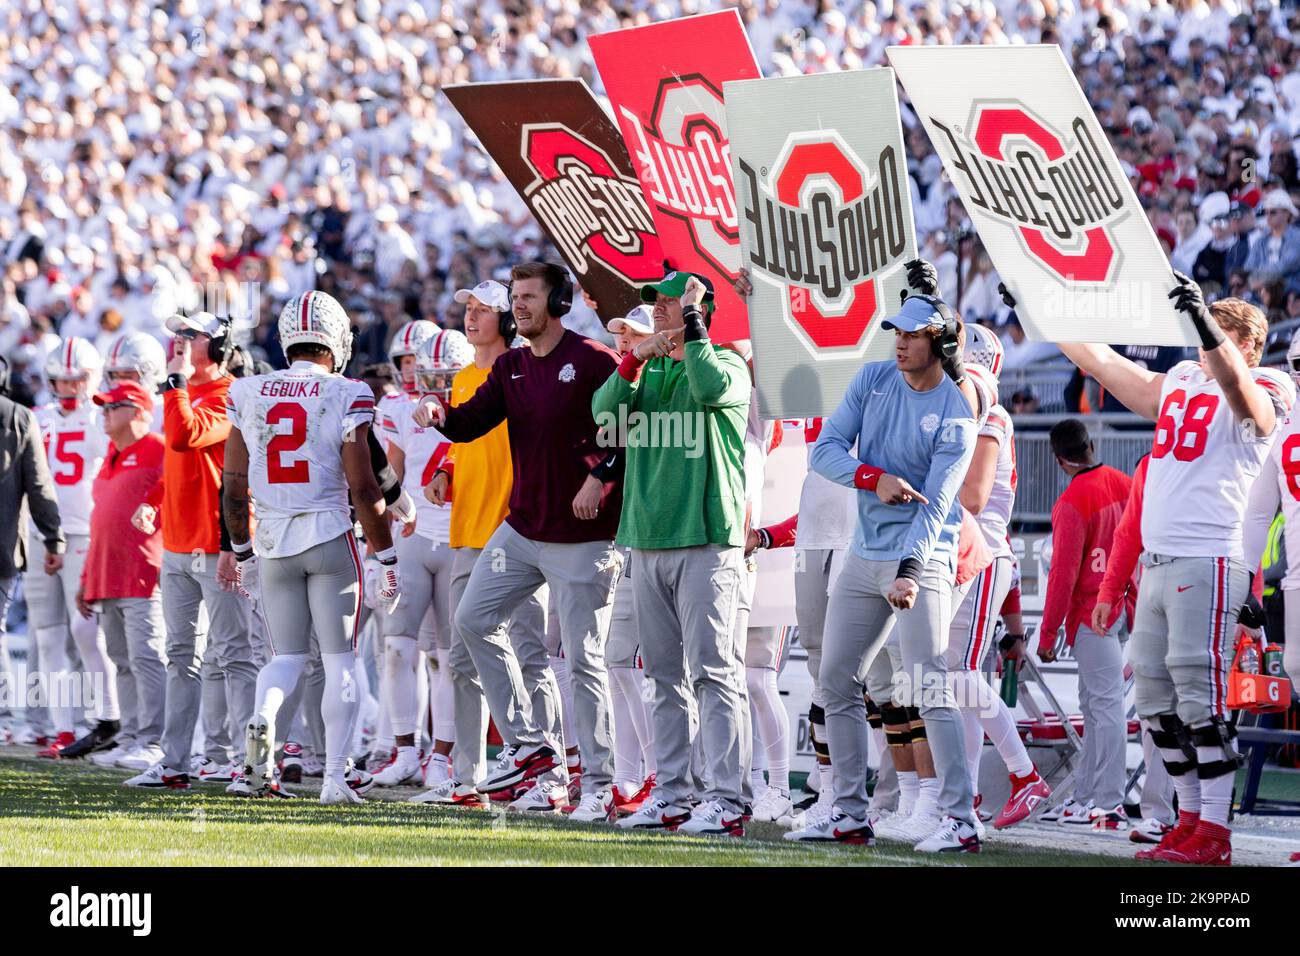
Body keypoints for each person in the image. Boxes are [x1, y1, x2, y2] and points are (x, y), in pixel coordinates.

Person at [1032, 274, 1295, 865]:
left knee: (1200, 700)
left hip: (1210, 556)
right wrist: (1043, 310)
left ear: (1248, 344)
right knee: (1154, 700)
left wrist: (1208, 326)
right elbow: (1103, 364)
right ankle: (1190, 817)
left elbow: (1244, 399)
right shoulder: (1180, 378)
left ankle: (1215, 834)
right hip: (1157, 561)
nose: (1202, 346)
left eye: (1216, 335)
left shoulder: (1268, 382)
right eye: (1202, 332)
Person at [413, 262, 624, 822]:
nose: (521, 306)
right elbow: (467, 425)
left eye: (530, 297)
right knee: (472, 620)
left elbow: (633, 431)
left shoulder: (594, 360)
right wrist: (439, 413)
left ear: (558, 304)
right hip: (524, 528)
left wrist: (599, 478)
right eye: (517, 297)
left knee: (583, 661)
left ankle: (600, 781)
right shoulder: (509, 367)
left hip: (584, 535)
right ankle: (531, 747)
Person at [787, 290, 979, 851]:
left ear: (939, 343)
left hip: (921, 562)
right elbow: (824, 451)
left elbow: (939, 507)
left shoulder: (956, 415)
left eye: (913, 335)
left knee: (926, 684)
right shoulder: (872, 379)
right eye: (897, 332)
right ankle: (848, 813)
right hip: (863, 556)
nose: (900, 342)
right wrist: (873, 479)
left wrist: (911, 572)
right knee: (835, 680)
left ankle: (961, 819)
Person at [223, 290, 400, 802]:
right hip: (329, 536)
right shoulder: (347, 392)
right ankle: (335, 779)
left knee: (284, 659)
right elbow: (366, 489)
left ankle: (262, 731)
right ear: (336, 341)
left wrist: (242, 552)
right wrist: (386, 556)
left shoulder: (249, 390)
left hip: (273, 538)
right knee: (341, 659)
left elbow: (233, 487)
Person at [595, 270, 751, 837]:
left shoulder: (727, 363)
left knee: (713, 673)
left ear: (696, 309)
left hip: (707, 538)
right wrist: (635, 360)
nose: (658, 311)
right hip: (647, 538)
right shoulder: (646, 371)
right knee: (662, 676)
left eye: (669, 303)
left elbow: (710, 388)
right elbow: (603, 415)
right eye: (657, 303)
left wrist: (691, 329)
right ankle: (674, 793)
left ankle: (728, 798)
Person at [410, 279, 555, 809]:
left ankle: (549, 773)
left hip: (516, 531)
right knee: (465, 661)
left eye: (482, 310)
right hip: (469, 529)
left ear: (509, 319)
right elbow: (471, 441)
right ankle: (469, 779)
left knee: (529, 654)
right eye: (467, 309)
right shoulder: (466, 377)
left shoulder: (524, 369)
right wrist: (446, 469)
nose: (470, 317)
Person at [124, 313, 256, 788]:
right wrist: (154, 502)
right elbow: (175, 460)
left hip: (217, 545)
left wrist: (175, 383)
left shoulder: (233, 396)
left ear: (218, 347)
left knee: (235, 654)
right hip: (177, 544)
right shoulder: (183, 392)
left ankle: (248, 762)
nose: (178, 342)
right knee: (181, 655)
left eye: (191, 335)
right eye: (177, 334)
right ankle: (177, 761)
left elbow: (186, 435)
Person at [369, 328, 471, 788]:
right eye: (428, 373)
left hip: (458, 536)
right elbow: (391, 475)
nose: (435, 383)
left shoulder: (480, 406)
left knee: (446, 658)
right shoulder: (400, 409)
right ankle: (405, 750)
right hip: (412, 533)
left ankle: (443, 757)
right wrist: (379, 549)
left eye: (445, 375)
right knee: (396, 648)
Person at [1035, 418, 1135, 832]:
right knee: (1098, 708)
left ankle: (1108, 802)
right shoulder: (1123, 482)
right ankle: (1087, 796)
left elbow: (1063, 575)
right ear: (1091, 445)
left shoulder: (1072, 502)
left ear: (1060, 460)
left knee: (1104, 708)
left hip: (1093, 613)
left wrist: (1047, 633)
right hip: (1122, 605)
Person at [66, 382, 168, 763]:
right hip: (108, 574)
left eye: (114, 406)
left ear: (139, 410)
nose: (105, 412)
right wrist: (86, 578)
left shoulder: (158, 449)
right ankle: (131, 738)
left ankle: (155, 742)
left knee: (147, 658)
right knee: (123, 662)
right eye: (104, 407)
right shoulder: (111, 452)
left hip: (144, 571)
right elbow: (101, 522)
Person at [25, 338, 110, 757]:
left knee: (87, 632)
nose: (69, 388)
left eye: (77, 380)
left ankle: (103, 720)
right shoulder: (37, 419)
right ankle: (62, 726)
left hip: (85, 533)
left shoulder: (101, 418)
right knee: (48, 636)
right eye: (61, 380)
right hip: (42, 534)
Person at [1091, 454, 1177, 845]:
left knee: (1204, 709)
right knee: (1152, 706)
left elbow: (1246, 523)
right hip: (1156, 592)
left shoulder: (1223, 449)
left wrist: (1248, 595)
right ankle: (1162, 813)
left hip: (1210, 583)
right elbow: (1129, 533)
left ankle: (1207, 815)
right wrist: (1109, 592)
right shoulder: (1152, 463)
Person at [0, 353, 65, 745]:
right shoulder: (20, 417)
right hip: (4, 545)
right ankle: (5, 717)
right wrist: (53, 535)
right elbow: (39, 485)